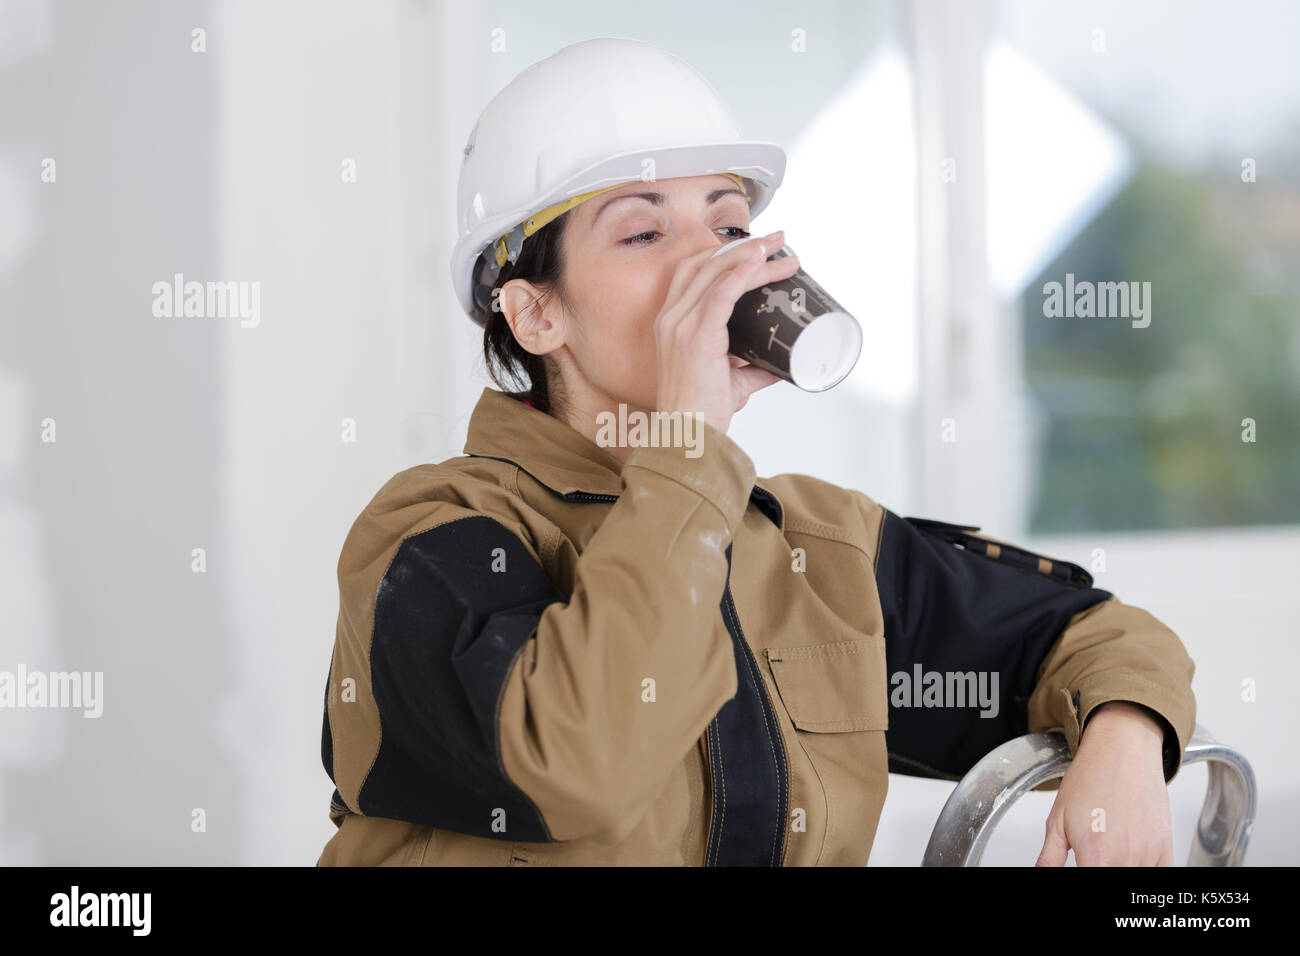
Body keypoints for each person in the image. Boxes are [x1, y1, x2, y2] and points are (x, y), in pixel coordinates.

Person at [316, 36, 1195, 867]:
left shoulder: (818, 544)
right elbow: (581, 760)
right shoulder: (430, 537)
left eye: (729, 228)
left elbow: (1087, 633)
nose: (713, 266)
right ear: (536, 314)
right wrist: (689, 441)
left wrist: (1124, 733)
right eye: (644, 233)